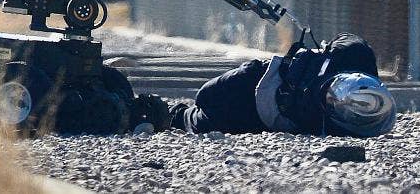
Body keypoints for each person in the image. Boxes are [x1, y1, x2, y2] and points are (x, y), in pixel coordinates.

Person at [168, 32, 396, 138]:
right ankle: (170, 112)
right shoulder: (357, 55)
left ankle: (167, 114)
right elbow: (346, 39)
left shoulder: (335, 126)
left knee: (196, 115)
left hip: (254, 114)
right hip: (258, 78)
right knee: (204, 97)